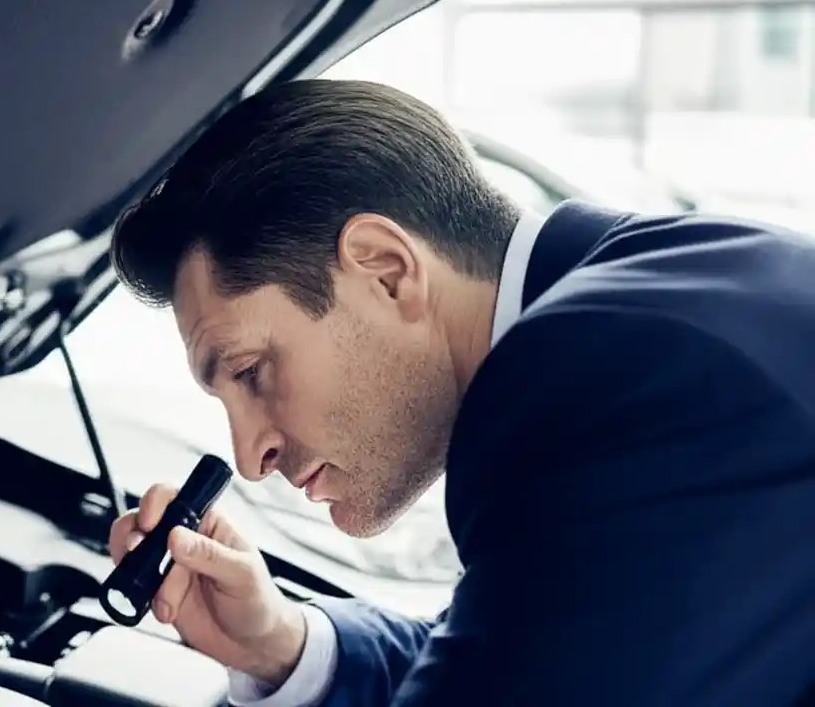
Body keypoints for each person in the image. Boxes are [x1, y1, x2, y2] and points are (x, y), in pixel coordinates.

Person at [103, 79, 815, 706]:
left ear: (385, 270)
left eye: (252, 372)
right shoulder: (660, 295)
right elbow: (530, 664)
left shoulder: (596, 372)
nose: (250, 456)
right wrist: (278, 644)